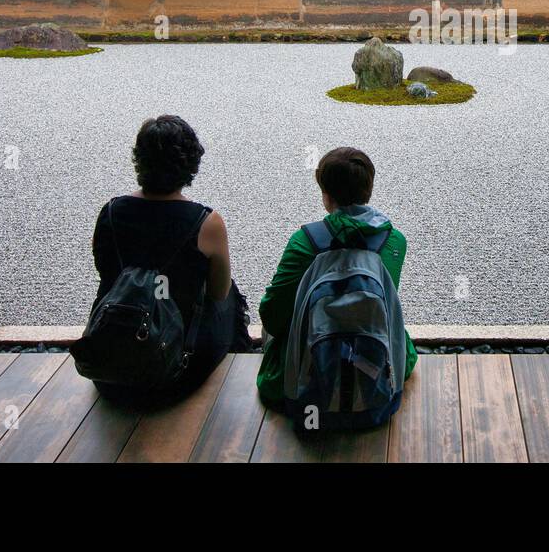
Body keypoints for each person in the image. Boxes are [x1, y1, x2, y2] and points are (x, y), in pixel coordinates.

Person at [88, 115, 250, 404]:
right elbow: (218, 292)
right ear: (190, 164)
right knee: (231, 293)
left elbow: (107, 273)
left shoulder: (111, 212)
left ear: (140, 160)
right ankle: (242, 356)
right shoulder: (206, 222)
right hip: (175, 373)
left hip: (108, 367)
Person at [256, 146, 417, 411]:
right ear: (369, 188)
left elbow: (273, 315)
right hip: (376, 364)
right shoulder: (394, 241)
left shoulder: (305, 242)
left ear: (326, 195)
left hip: (312, 370)